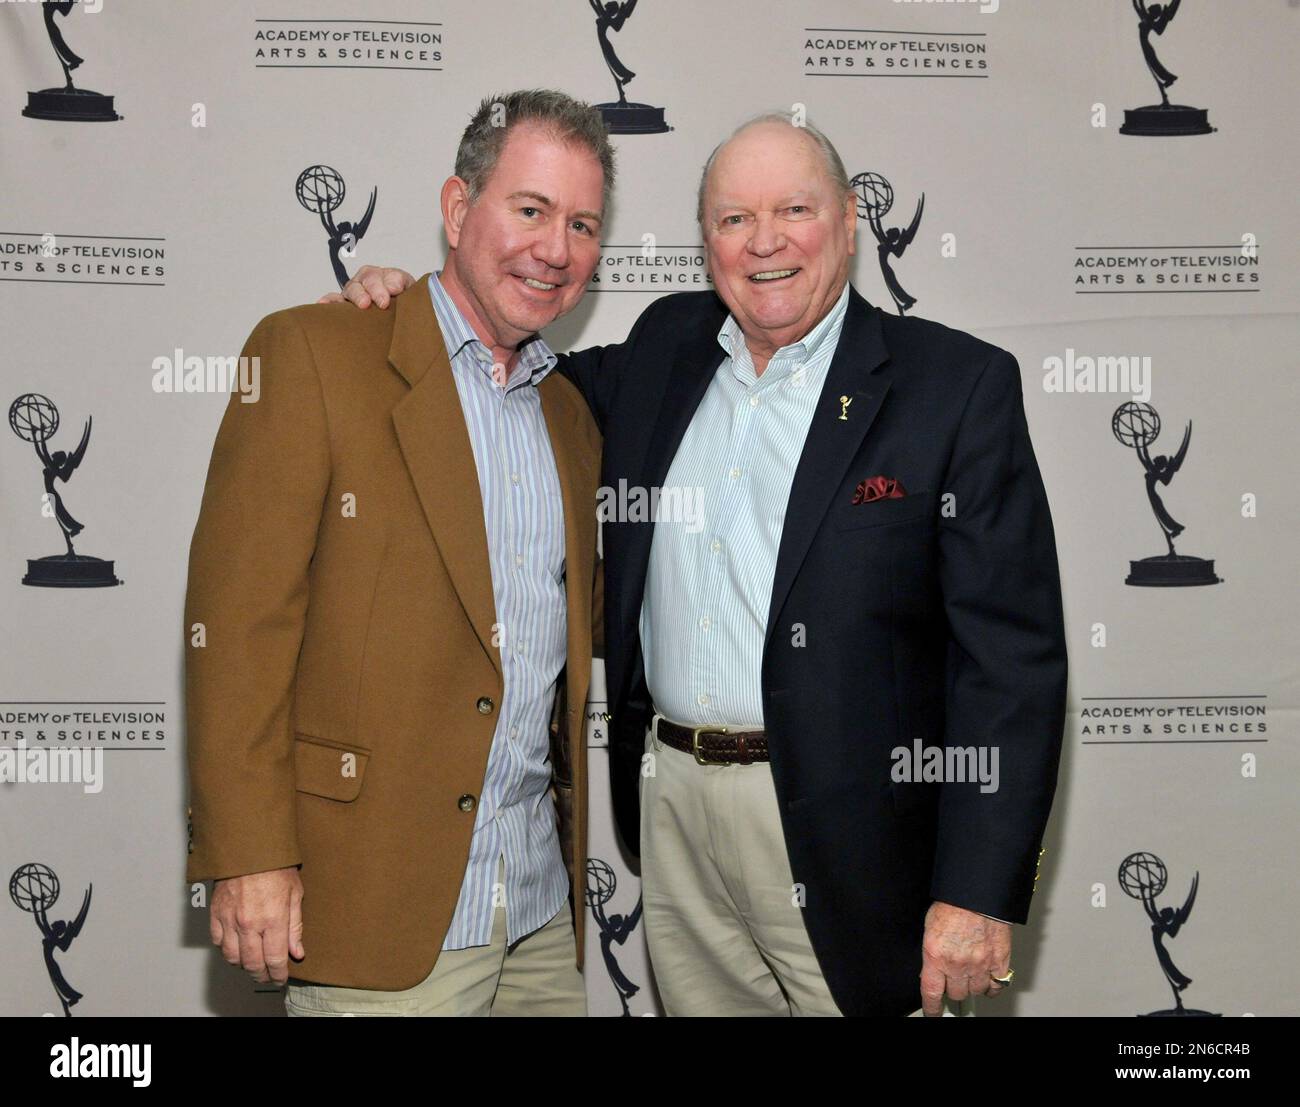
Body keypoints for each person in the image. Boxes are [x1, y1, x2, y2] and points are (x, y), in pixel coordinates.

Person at [330, 111, 1068, 1017]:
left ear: (847, 222)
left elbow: (1013, 666)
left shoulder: (955, 389)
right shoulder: (662, 350)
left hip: (856, 839)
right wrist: (401, 305)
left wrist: (979, 889)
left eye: (793, 209)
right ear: (705, 240)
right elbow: (498, 368)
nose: (764, 242)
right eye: (731, 219)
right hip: (675, 812)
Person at [184, 88, 613, 1016]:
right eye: (530, 209)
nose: (555, 248)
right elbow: (238, 626)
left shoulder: (571, 418)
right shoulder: (314, 352)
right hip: (377, 910)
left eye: (583, 224)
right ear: (458, 210)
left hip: (537, 914)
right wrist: (250, 855)